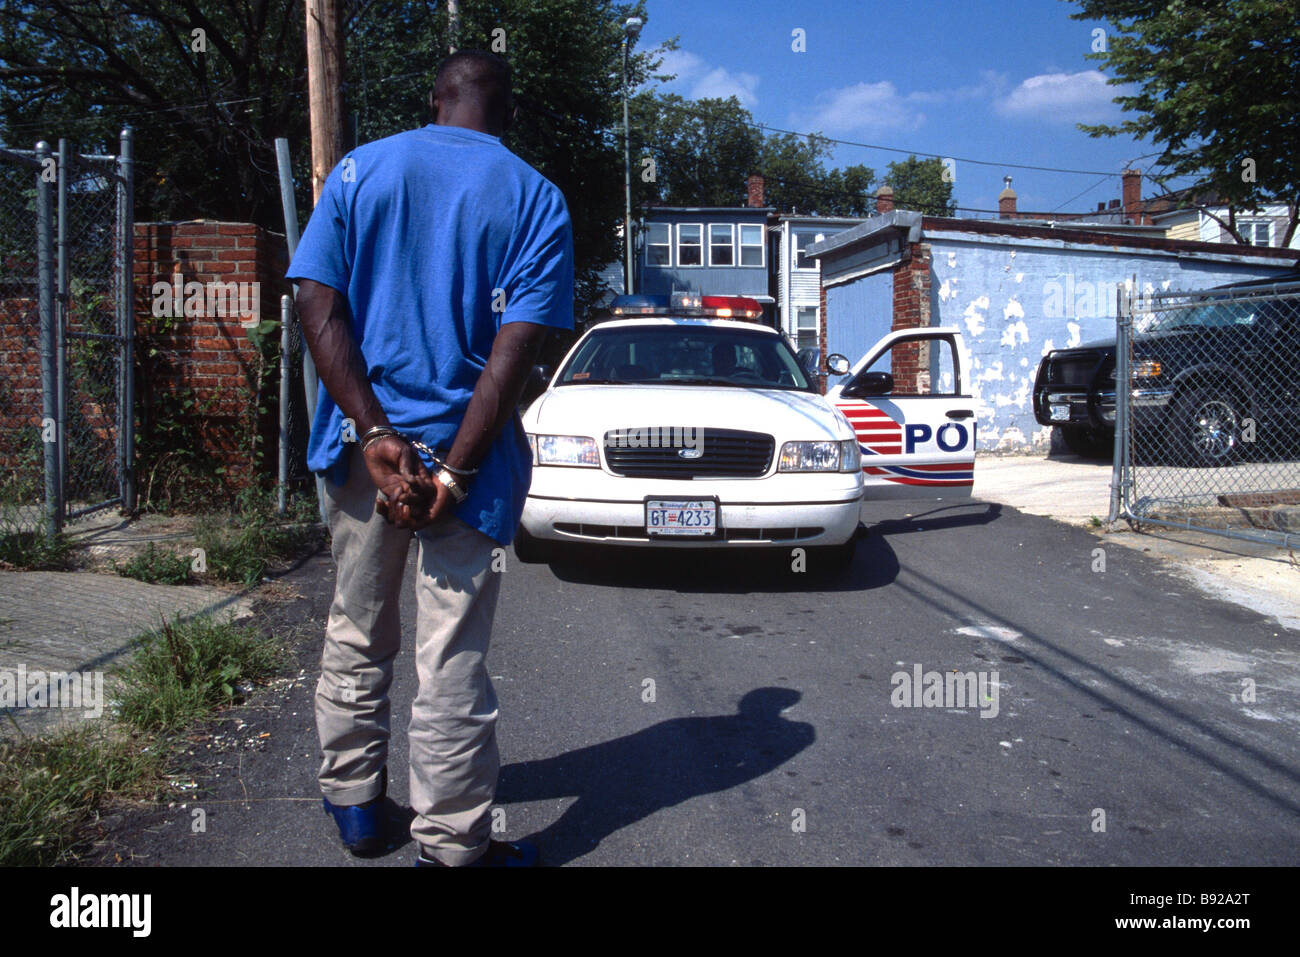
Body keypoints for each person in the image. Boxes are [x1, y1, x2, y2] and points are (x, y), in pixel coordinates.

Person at [287, 49, 574, 867]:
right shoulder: (536, 199)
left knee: (355, 626)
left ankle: (356, 808)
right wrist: (452, 469)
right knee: (449, 655)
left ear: (432, 101)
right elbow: (514, 352)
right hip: (470, 469)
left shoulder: (357, 172)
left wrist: (376, 434)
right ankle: (450, 843)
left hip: (358, 457)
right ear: (506, 112)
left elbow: (315, 298)